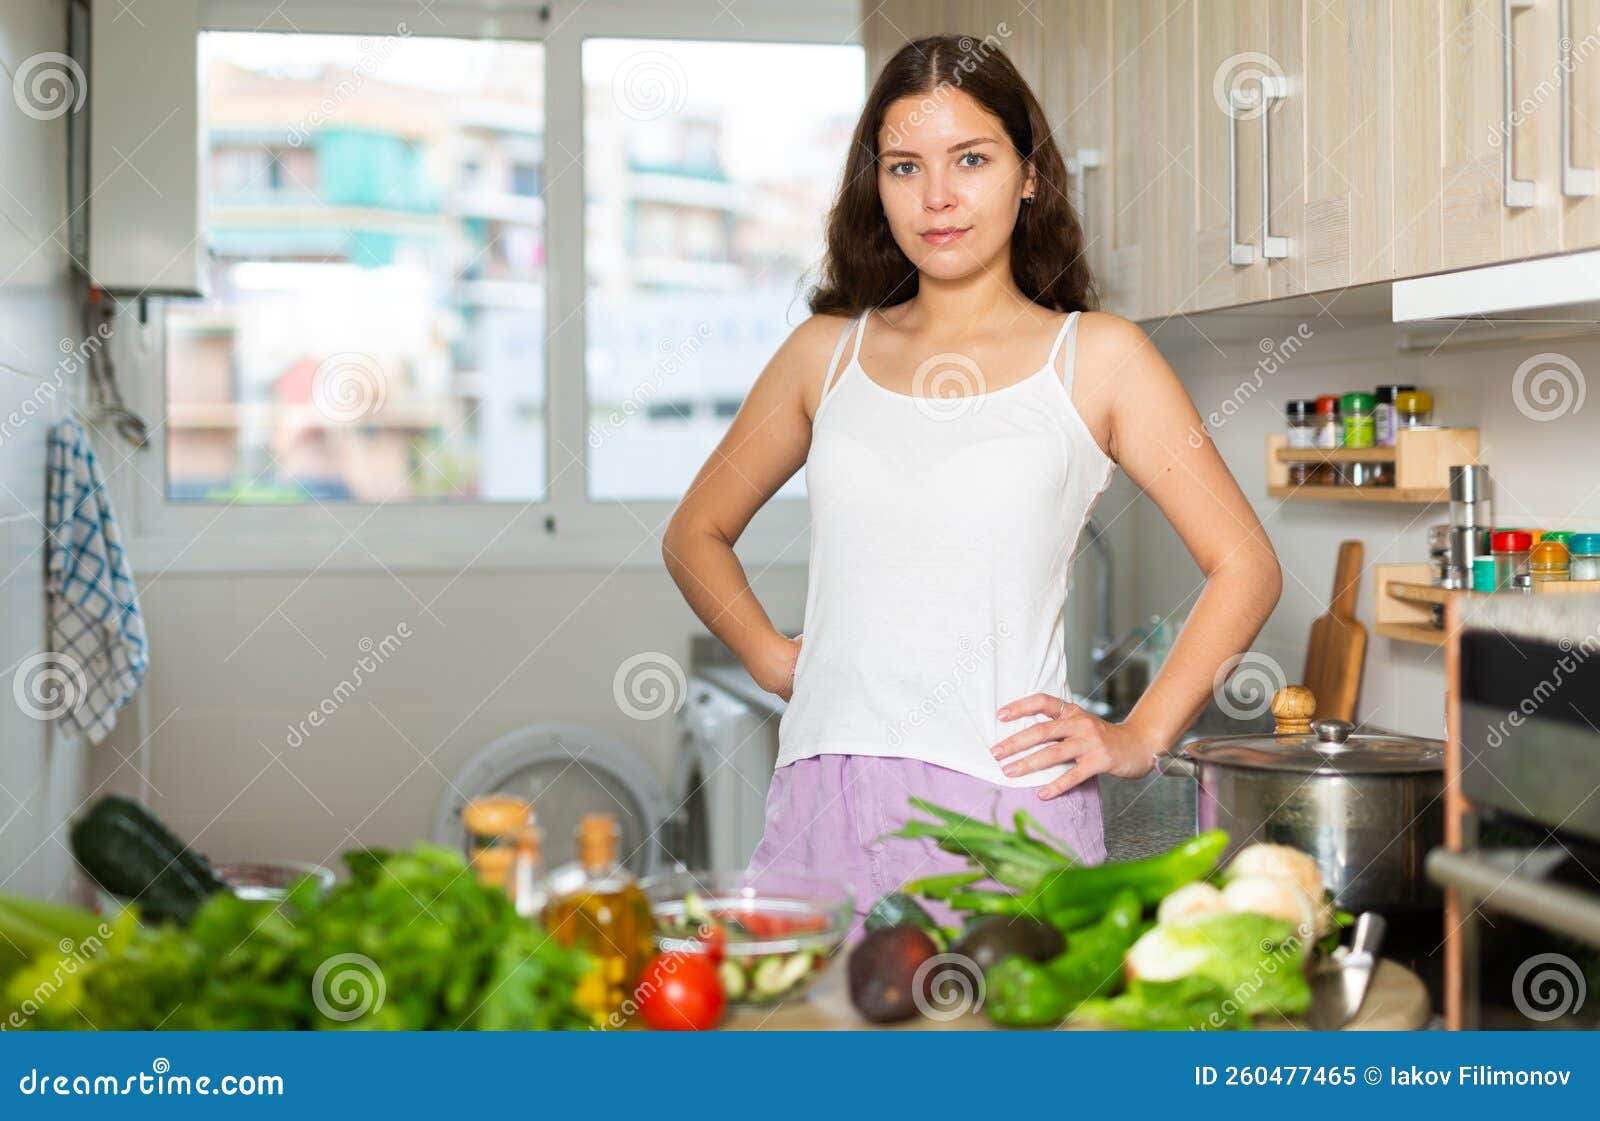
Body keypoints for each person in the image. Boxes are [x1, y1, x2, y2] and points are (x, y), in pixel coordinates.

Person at [661, 34, 1281, 923]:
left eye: (973, 159)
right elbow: (695, 534)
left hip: (1008, 806)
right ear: (875, 185)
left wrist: (1141, 735)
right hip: (825, 797)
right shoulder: (821, 354)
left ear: (1029, 175)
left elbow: (1246, 562)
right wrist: (770, 654)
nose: (938, 197)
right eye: (905, 167)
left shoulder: (1099, 359)